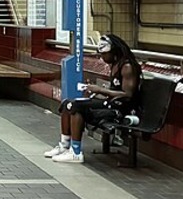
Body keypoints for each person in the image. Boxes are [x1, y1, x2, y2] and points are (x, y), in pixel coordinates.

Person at [45, 33, 142, 163]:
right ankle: (64, 145)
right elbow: (113, 90)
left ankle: (76, 152)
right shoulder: (114, 64)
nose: (101, 57)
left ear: (113, 52)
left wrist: (100, 90)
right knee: (67, 104)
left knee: (76, 107)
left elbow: (128, 95)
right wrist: (96, 92)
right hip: (111, 103)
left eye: (103, 54)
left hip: (121, 109)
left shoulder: (127, 67)